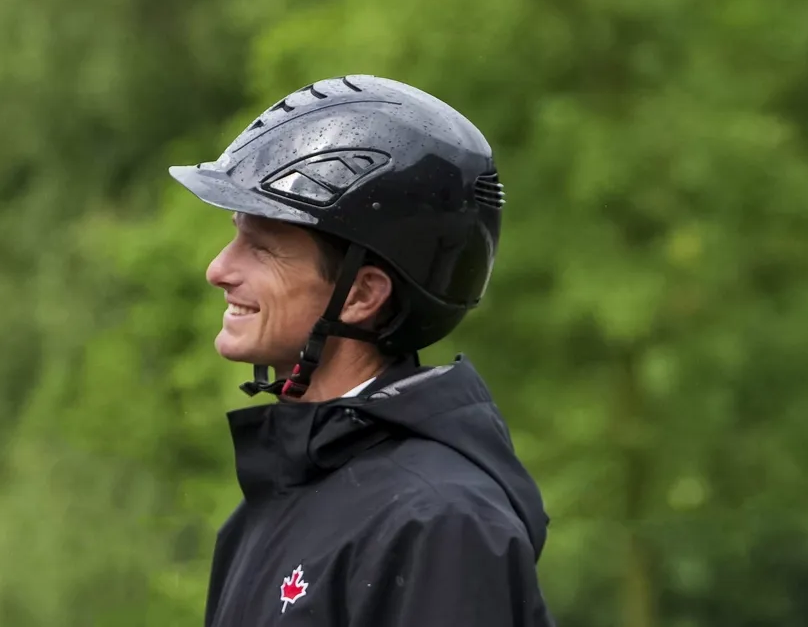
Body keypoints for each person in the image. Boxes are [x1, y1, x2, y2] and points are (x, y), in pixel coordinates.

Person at [171, 75, 552, 626]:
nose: (218, 269)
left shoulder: (440, 523)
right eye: (235, 234)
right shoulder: (273, 502)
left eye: (263, 248)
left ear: (361, 295)